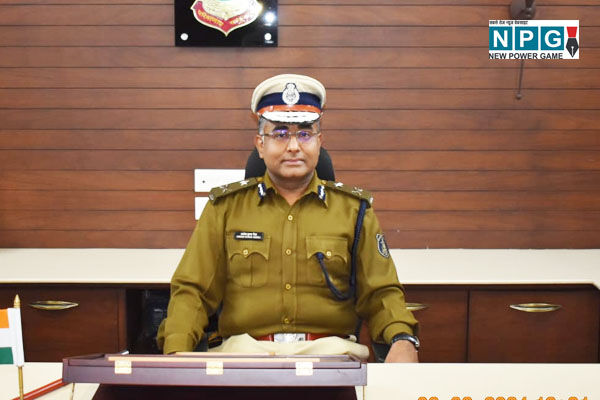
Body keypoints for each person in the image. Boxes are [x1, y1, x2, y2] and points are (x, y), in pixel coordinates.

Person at [157, 74, 419, 362]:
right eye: (280, 134)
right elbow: (193, 291)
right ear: (260, 144)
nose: (294, 146)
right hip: (245, 356)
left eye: (305, 134)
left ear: (319, 142)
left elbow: (381, 293)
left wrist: (402, 339)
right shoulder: (225, 209)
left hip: (331, 354)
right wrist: (177, 350)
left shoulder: (354, 211)